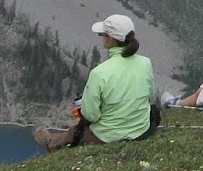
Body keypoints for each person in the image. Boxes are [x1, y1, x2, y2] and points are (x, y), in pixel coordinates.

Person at [33, 13, 158, 152]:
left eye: (102, 34)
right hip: (141, 129)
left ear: (111, 39)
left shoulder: (99, 73)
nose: (101, 38)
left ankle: (50, 142)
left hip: (109, 135)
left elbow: (91, 115)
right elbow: (151, 97)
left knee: (75, 132)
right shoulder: (145, 63)